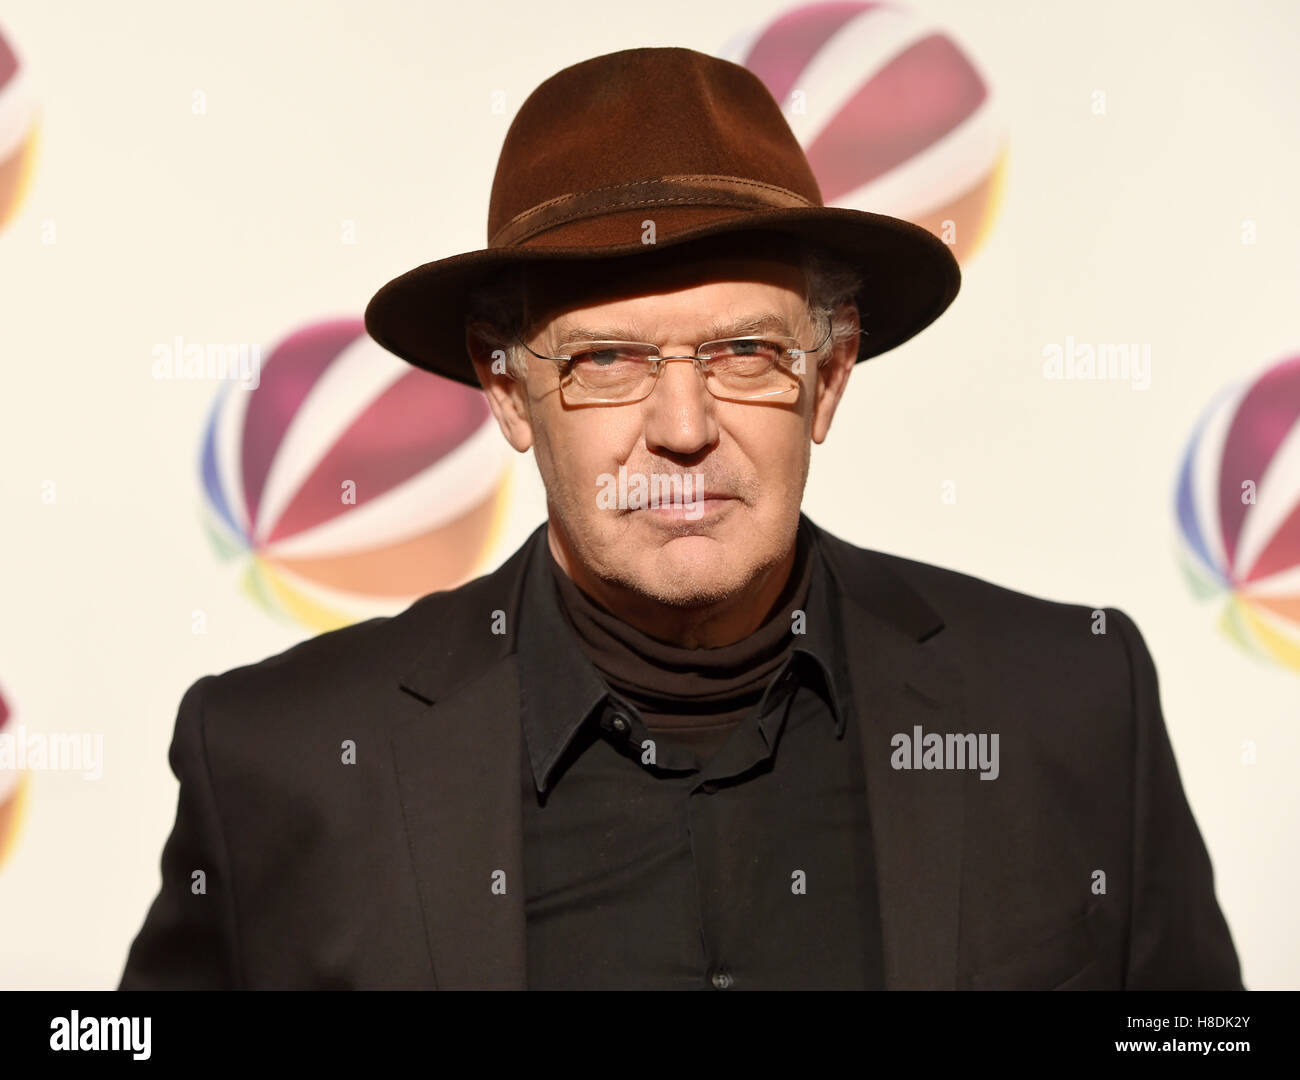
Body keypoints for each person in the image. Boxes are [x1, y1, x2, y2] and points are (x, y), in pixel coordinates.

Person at [118, 46, 1242, 990]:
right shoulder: (284, 763)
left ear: (830, 375)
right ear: (508, 391)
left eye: (745, 351)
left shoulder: (1068, 707)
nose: (684, 426)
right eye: (606, 360)